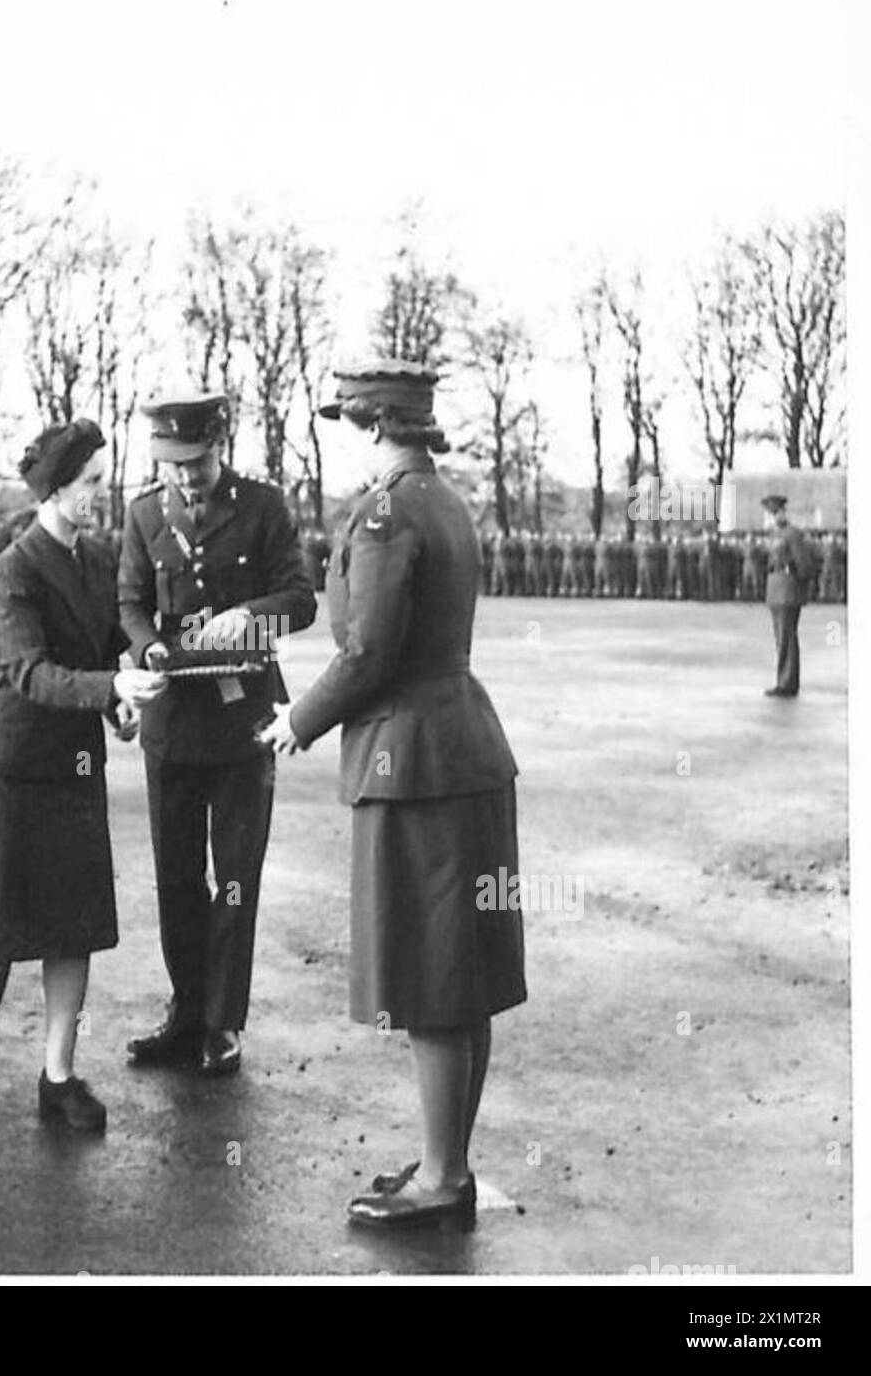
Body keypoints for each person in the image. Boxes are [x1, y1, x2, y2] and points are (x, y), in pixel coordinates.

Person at [261, 360, 525, 1229]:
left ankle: (443, 1180)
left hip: (410, 763)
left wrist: (299, 720)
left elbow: (368, 652)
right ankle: (447, 1159)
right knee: (463, 970)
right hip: (463, 746)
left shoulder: (384, 513)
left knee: (430, 972)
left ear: (375, 427)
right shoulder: (442, 501)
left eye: (352, 425)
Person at [0, 421, 166, 1130]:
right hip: (6, 764)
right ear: (57, 487)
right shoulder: (12, 570)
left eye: (103, 479)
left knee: (73, 926)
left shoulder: (98, 562)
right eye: (91, 482)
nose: (101, 494)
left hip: (70, 764)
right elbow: (28, 671)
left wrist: (123, 702)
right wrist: (109, 691)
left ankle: (58, 1074)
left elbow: (103, 653)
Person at [118, 391, 317, 1076]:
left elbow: (302, 599)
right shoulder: (144, 513)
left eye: (197, 462)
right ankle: (186, 1012)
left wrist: (249, 616)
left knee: (234, 878)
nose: (186, 477)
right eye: (173, 464)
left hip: (242, 724)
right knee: (176, 876)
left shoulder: (262, 507)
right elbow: (129, 602)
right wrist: (146, 651)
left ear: (219, 447)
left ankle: (223, 1023)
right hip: (173, 721)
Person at [761, 494, 813, 697]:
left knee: (786, 638)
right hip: (775, 590)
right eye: (770, 514)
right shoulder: (774, 535)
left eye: (775, 513)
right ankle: (784, 679)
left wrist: (800, 585)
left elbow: (804, 565)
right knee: (781, 639)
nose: (772, 517)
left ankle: (788, 683)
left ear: (782, 512)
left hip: (787, 590)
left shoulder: (793, 534)